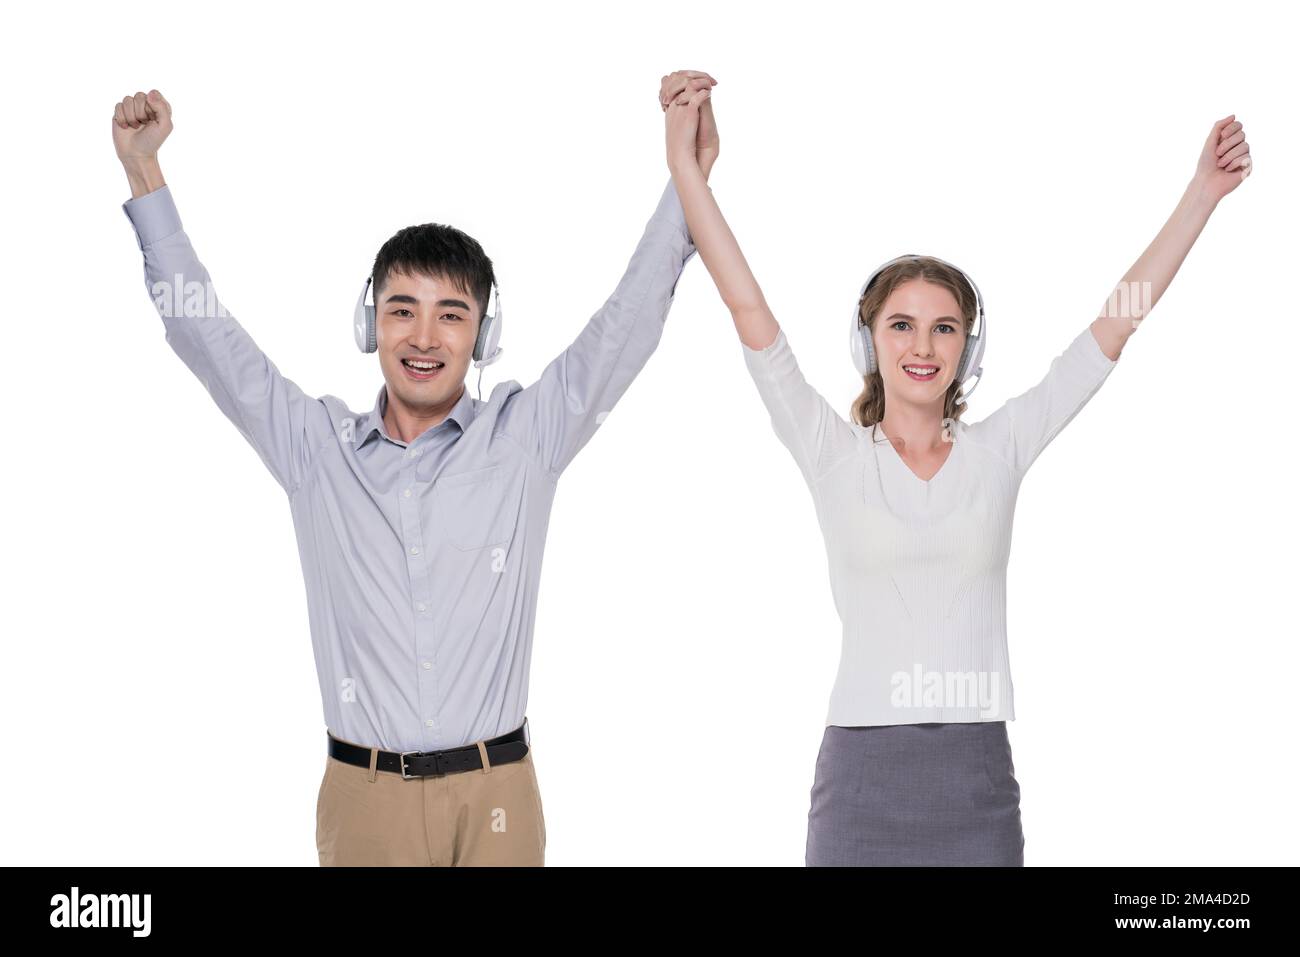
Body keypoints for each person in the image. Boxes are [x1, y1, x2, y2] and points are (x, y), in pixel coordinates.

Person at [112, 76, 714, 866]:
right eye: (402, 308)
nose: (424, 335)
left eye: (451, 313)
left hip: (497, 792)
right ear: (371, 322)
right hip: (365, 800)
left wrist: (687, 175)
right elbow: (205, 335)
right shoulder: (314, 448)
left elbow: (629, 319)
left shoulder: (524, 436)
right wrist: (144, 173)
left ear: (482, 335)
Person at [660, 76, 1250, 865]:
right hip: (861, 781)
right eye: (901, 324)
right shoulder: (833, 454)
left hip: (975, 777)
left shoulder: (997, 450)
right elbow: (748, 307)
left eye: (944, 328)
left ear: (967, 347)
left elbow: (1116, 323)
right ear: (869, 338)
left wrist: (1201, 194)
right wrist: (687, 170)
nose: (923, 346)